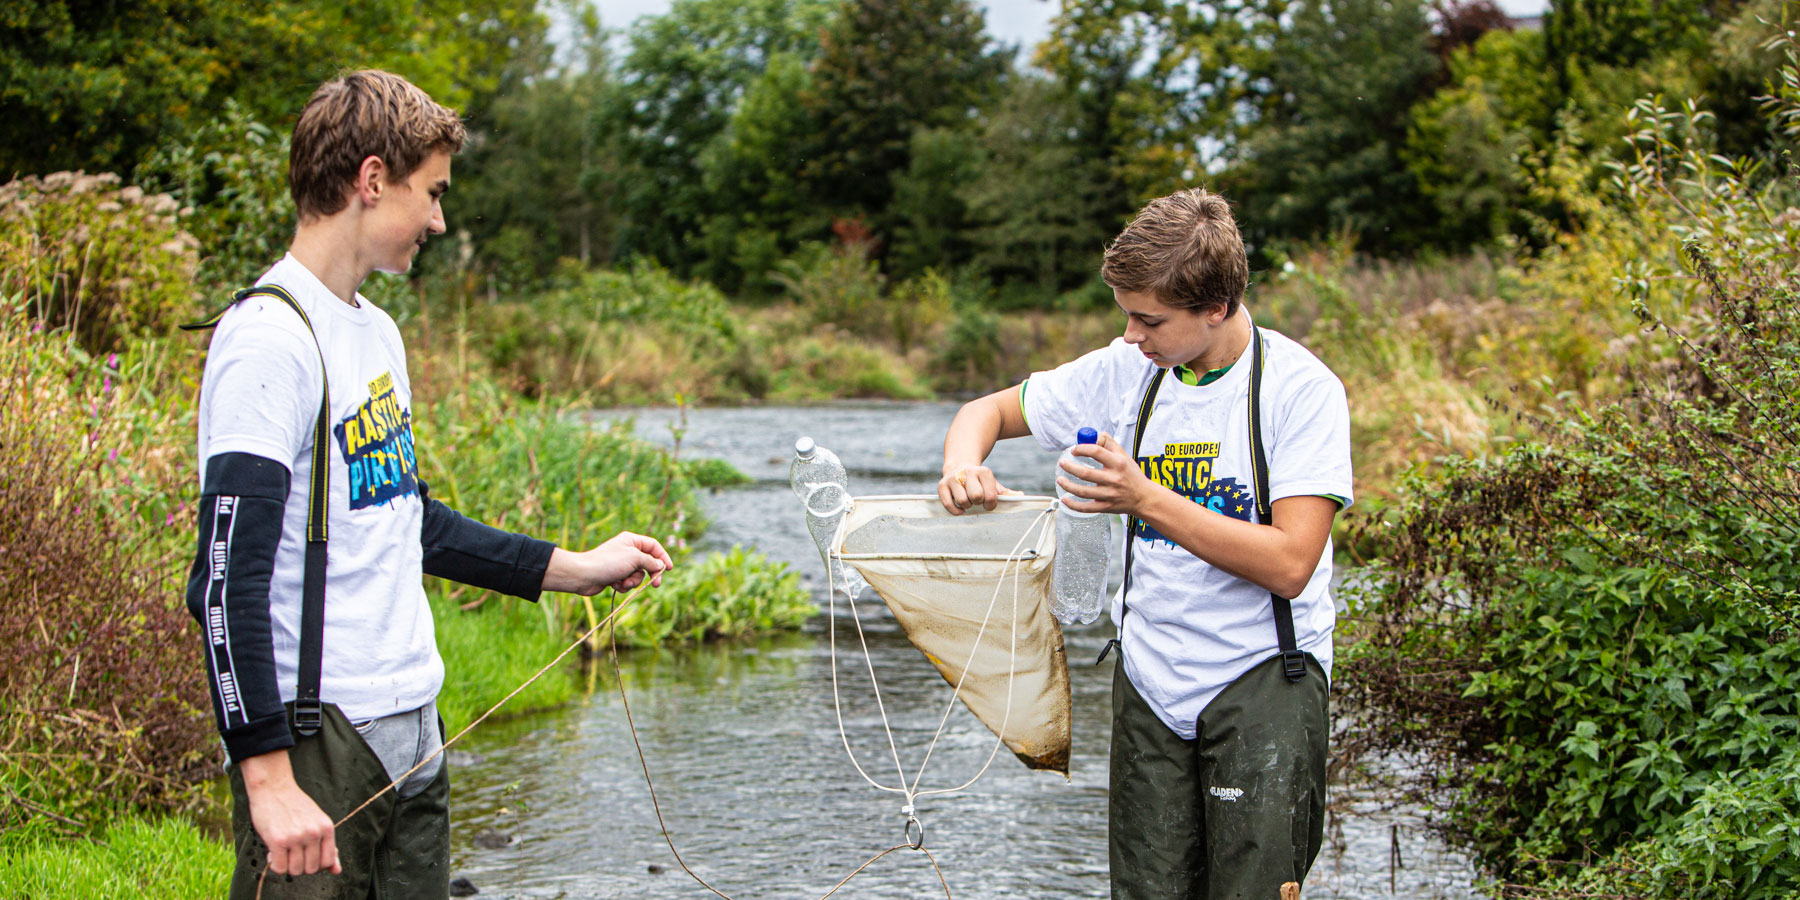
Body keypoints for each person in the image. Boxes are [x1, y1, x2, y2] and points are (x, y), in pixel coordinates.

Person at [185, 69, 675, 900]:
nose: (441, 221)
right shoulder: (270, 338)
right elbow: (226, 579)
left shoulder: (379, 333)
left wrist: (576, 567)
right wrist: (267, 781)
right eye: (435, 192)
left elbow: (406, 520)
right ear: (373, 180)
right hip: (320, 744)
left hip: (416, 735)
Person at [936, 188, 1351, 898]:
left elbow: (1291, 564)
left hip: (1263, 677)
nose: (1131, 335)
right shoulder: (1126, 370)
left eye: (1149, 319)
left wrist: (1143, 498)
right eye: (1125, 314)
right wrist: (962, 465)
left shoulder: (1301, 390)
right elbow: (986, 412)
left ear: (1215, 307)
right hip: (1151, 680)